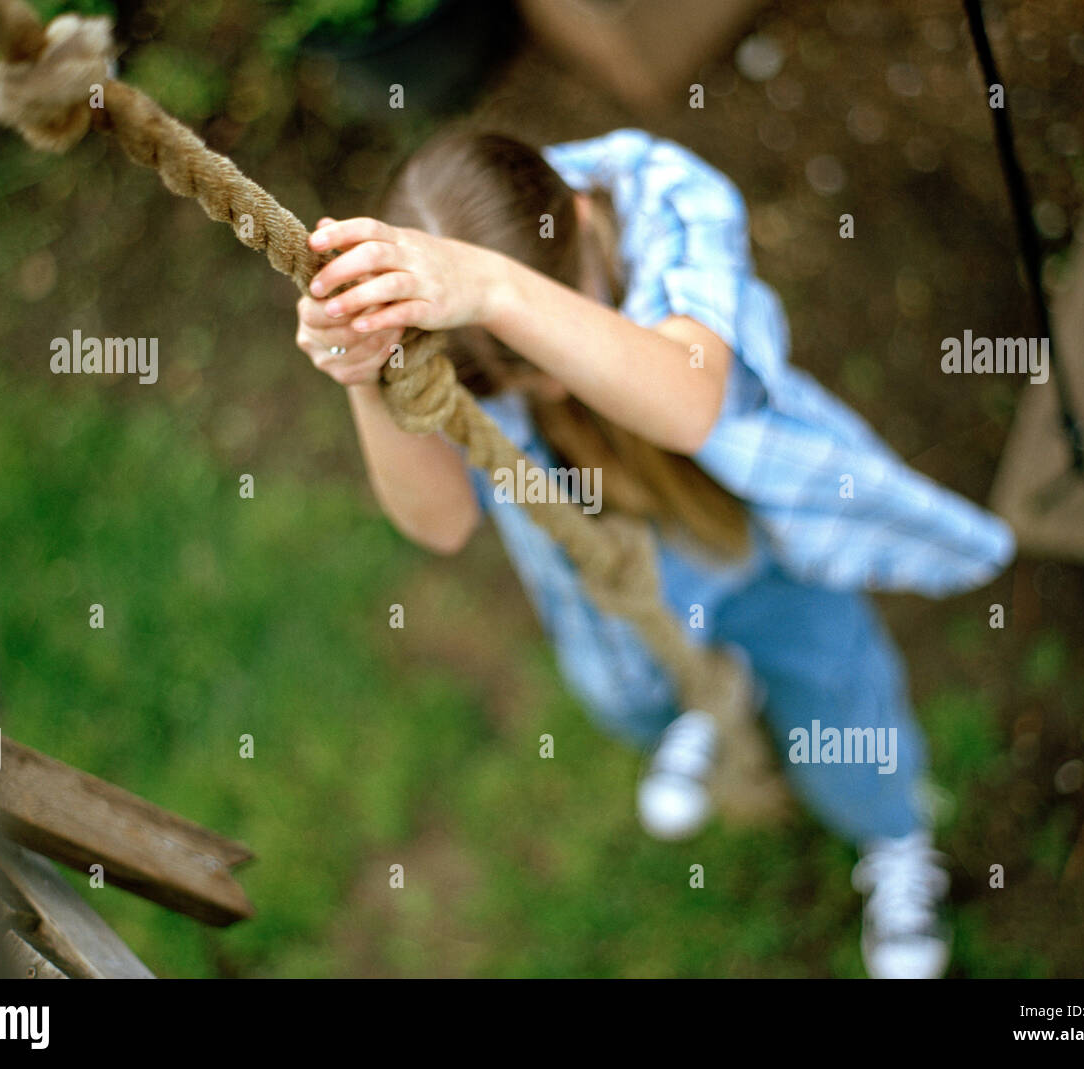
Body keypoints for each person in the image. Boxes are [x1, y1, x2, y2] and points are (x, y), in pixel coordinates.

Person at [294, 128, 1015, 978]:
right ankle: (703, 716)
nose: (550, 389)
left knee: (840, 714)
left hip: (759, 548)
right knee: (640, 698)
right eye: (509, 386)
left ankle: (892, 838)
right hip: (617, 602)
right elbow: (442, 524)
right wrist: (367, 382)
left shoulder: (661, 190)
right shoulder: (427, 312)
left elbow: (689, 401)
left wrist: (493, 288)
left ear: (585, 218)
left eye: (539, 354)